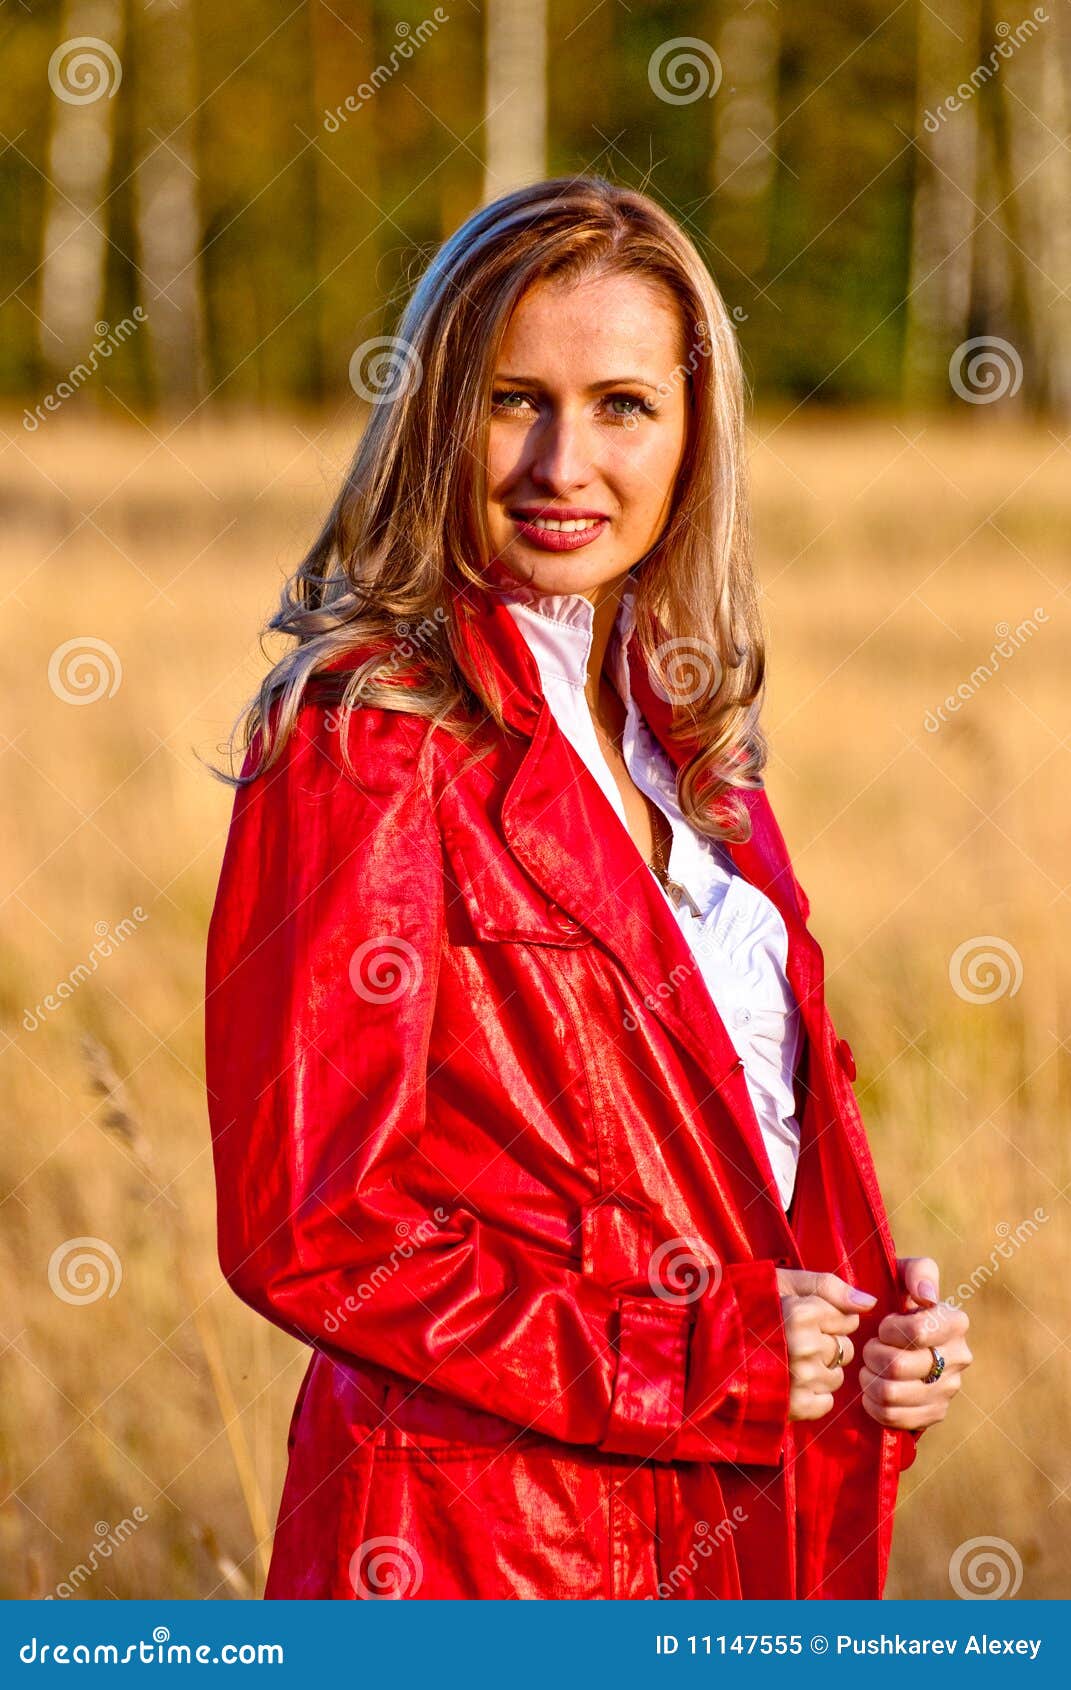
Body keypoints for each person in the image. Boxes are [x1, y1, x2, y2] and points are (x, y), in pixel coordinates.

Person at [204, 175, 972, 1601]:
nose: (565, 461)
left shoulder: (690, 744)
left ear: (693, 438)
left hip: (720, 1525)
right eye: (513, 400)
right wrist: (697, 1352)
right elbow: (312, 1223)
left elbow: (726, 1153)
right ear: (437, 417)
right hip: (483, 1554)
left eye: (623, 404)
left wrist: (853, 1344)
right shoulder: (370, 731)